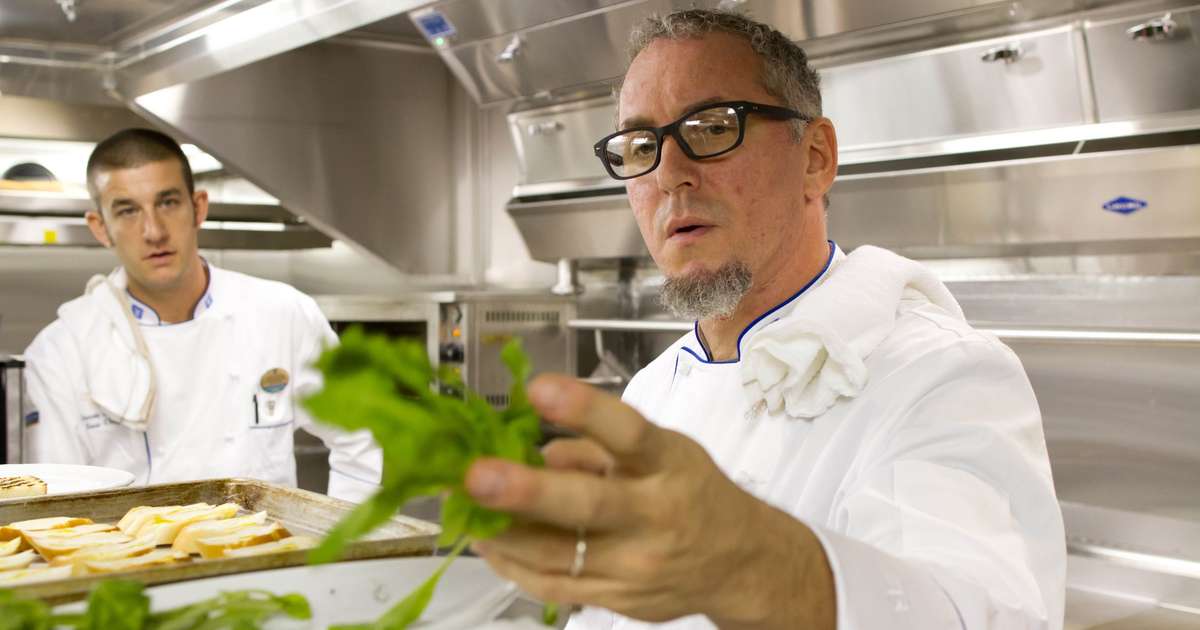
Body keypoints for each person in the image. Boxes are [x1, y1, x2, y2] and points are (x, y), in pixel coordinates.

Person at [463, 10, 1065, 630]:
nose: (670, 174)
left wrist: (747, 565)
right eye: (642, 146)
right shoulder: (652, 390)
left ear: (815, 158)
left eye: (714, 126)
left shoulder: (937, 375)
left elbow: (977, 613)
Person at [22, 128, 380, 502]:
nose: (153, 231)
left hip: (271, 553)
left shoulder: (283, 313)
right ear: (100, 227)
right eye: (127, 210)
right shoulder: (61, 352)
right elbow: (55, 502)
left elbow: (361, 436)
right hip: (127, 558)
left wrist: (347, 545)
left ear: (199, 207)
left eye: (168, 202)